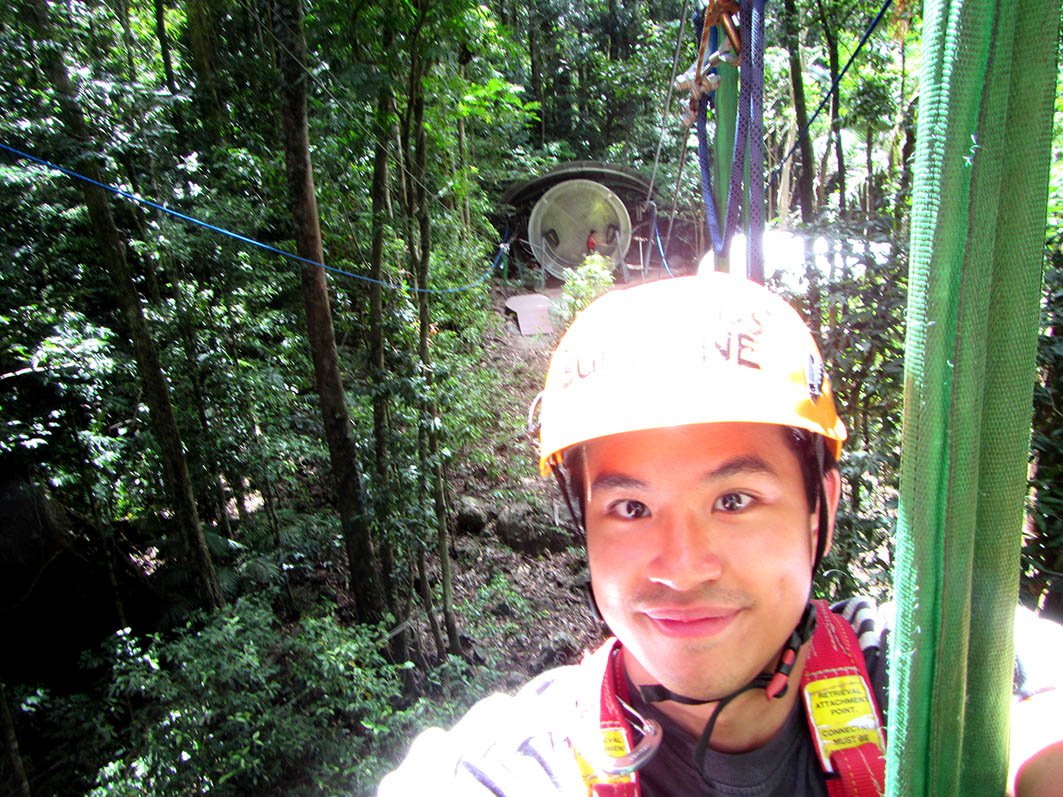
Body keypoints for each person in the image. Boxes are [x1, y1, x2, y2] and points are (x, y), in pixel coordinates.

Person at [378, 272, 1063, 796]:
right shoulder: (515, 765)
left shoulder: (935, 677)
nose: (679, 567)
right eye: (630, 508)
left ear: (817, 505)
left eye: (733, 499)